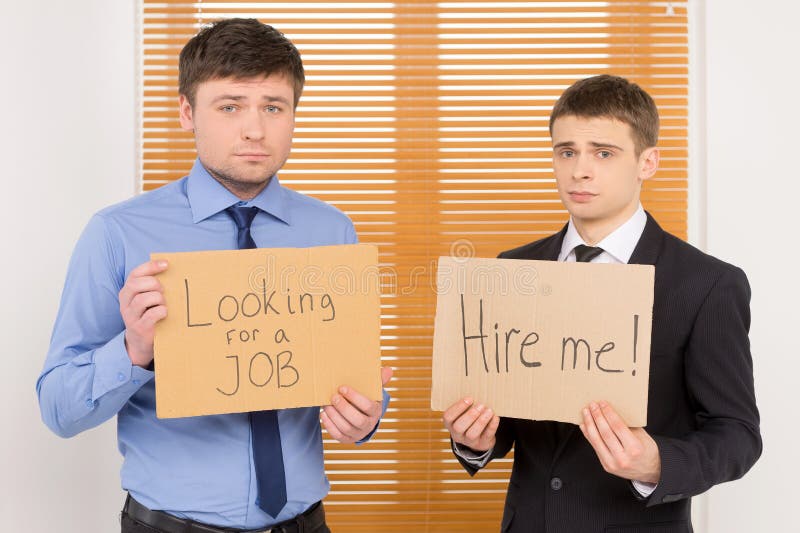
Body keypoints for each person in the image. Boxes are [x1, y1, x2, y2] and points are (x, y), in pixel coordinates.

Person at [37, 18, 390, 533]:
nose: (254, 129)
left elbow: (352, 380)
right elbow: (59, 410)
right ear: (188, 112)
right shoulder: (117, 233)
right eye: (230, 107)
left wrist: (365, 417)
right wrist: (134, 349)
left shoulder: (332, 230)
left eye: (274, 107)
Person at [442, 74, 761, 533]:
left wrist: (656, 462)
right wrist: (474, 440)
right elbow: (504, 418)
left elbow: (737, 435)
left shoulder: (707, 284)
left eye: (603, 153)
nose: (579, 170)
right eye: (566, 151)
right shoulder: (511, 271)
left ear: (647, 162)